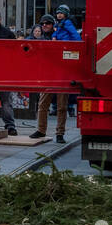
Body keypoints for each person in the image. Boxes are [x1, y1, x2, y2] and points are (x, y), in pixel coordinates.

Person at [32, 14, 70, 142]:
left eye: (47, 23)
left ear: (53, 24)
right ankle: (41, 130)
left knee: (61, 106)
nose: (44, 25)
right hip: (48, 75)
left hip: (61, 75)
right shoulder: (41, 39)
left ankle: (60, 133)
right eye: (42, 23)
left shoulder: (60, 36)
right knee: (43, 105)